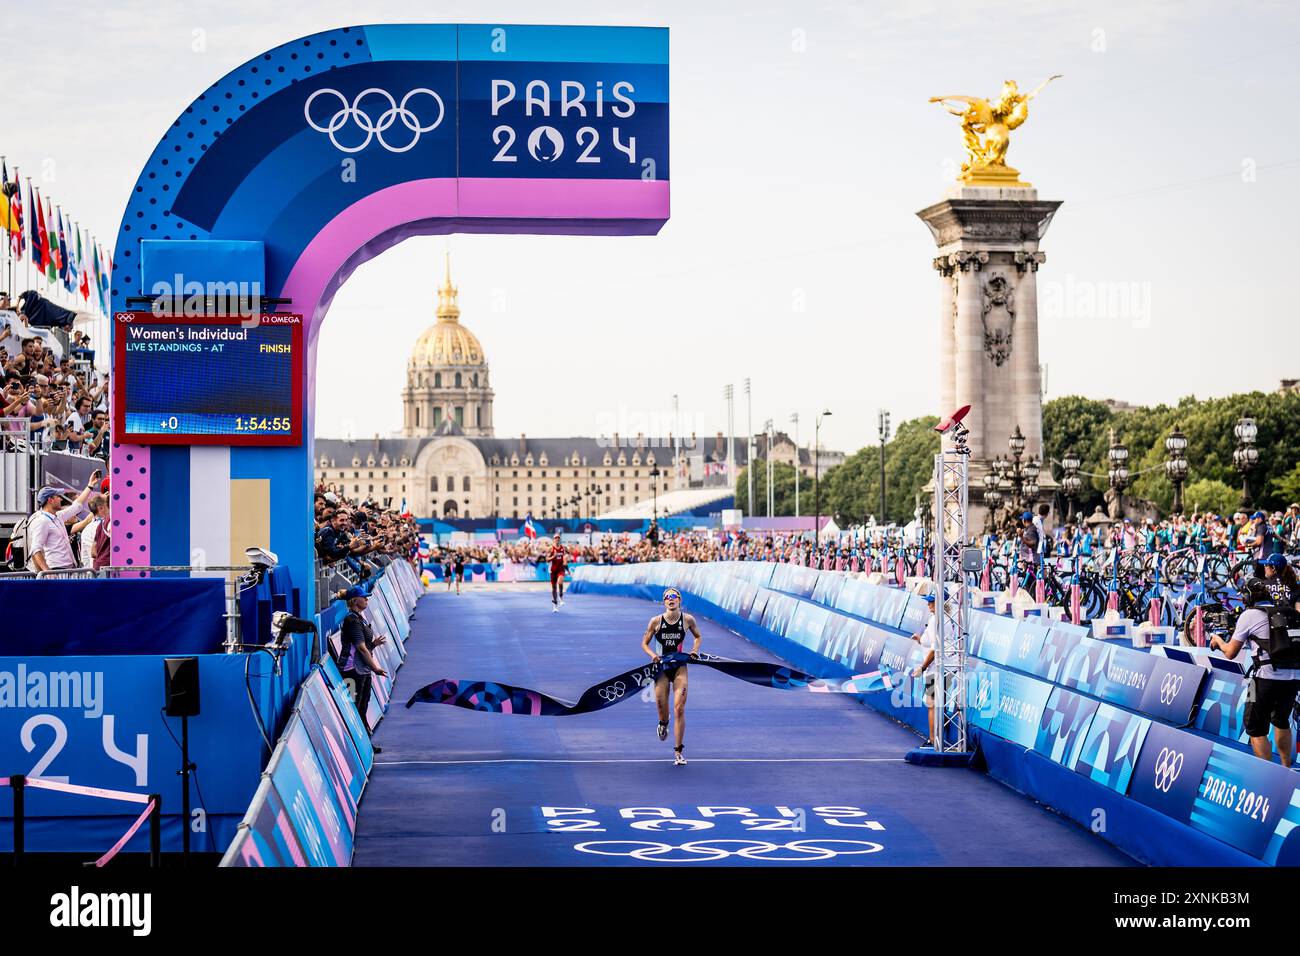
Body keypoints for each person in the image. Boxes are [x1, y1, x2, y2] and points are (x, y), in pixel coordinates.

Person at [1209, 578, 1299, 768]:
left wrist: (1217, 640)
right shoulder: (1290, 612)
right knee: (1281, 721)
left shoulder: (1249, 615)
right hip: (1292, 677)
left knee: (1255, 728)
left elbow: (1231, 652)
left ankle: (1268, 775)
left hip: (1264, 678)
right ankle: (1286, 768)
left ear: (1248, 598)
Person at [640, 588, 702, 766]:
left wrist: (694, 651)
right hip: (661, 669)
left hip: (680, 667)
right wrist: (653, 655)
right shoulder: (656, 621)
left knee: (679, 709)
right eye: (667, 597)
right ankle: (663, 723)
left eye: (674, 596)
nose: (670, 599)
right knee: (662, 706)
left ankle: (678, 751)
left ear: (679, 600)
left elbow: (698, 637)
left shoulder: (688, 620)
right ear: (664, 602)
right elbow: (644, 643)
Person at [336, 586, 389, 753]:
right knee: (354, 709)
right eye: (363, 597)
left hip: (363, 670)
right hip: (352, 671)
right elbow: (360, 648)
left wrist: (374, 644)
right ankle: (352, 748)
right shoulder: (351, 621)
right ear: (354, 601)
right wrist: (376, 668)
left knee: (363, 706)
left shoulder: (360, 619)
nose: (367, 599)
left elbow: (365, 646)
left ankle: (364, 744)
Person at [28, 474, 100, 572]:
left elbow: (76, 506)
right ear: (50, 500)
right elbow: (36, 549)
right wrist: (48, 572)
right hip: (56, 570)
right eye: (58, 496)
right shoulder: (42, 521)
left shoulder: (57, 516)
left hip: (65, 569)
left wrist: (90, 486)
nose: (61, 499)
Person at [912, 593, 939, 747]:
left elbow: (935, 650)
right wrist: (919, 639)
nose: (928, 605)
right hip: (937, 668)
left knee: (932, 704)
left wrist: (922, 668)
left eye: (931, 602)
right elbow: (929, 642)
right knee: (935, 703)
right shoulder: (938, 618)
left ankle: (933, 740)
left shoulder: (936, 620)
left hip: (934, 669)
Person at [547, 532, 568, 611]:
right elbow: (547, 559)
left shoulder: (563, 547)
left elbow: (568, 553)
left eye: (558, 538)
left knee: (560, 582)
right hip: (553, 570)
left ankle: (561, 596)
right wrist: (553, 556)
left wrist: (566, 557)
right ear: (553, 539)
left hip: (560, 569)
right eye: (556, 538)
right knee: (554, 588)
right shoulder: (551, 548)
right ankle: (555, 605)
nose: (557, 539)